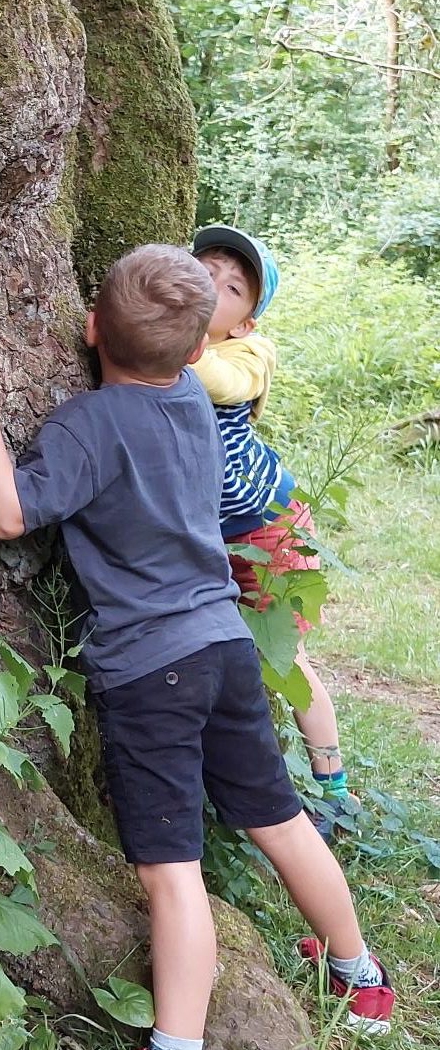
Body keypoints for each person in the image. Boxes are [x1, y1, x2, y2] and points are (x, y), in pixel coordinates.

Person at [0, 245, 393, 1050]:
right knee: (279, 818)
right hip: (226, 644)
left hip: (153, 671)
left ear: (89, 328)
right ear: (197, 352)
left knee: (170, 870)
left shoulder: (88, 425)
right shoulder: (194, 398)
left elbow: (8, 514)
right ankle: (362, 979)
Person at [190, 225, 348, 833]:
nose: (213, 286)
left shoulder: (248, 356)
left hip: (269, 528)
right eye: (204, 271)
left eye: (232, 289)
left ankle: (333, 785)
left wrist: (175, 339)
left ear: (245, 324)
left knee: (284, 657)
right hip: (214, 535)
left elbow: (223, 385)